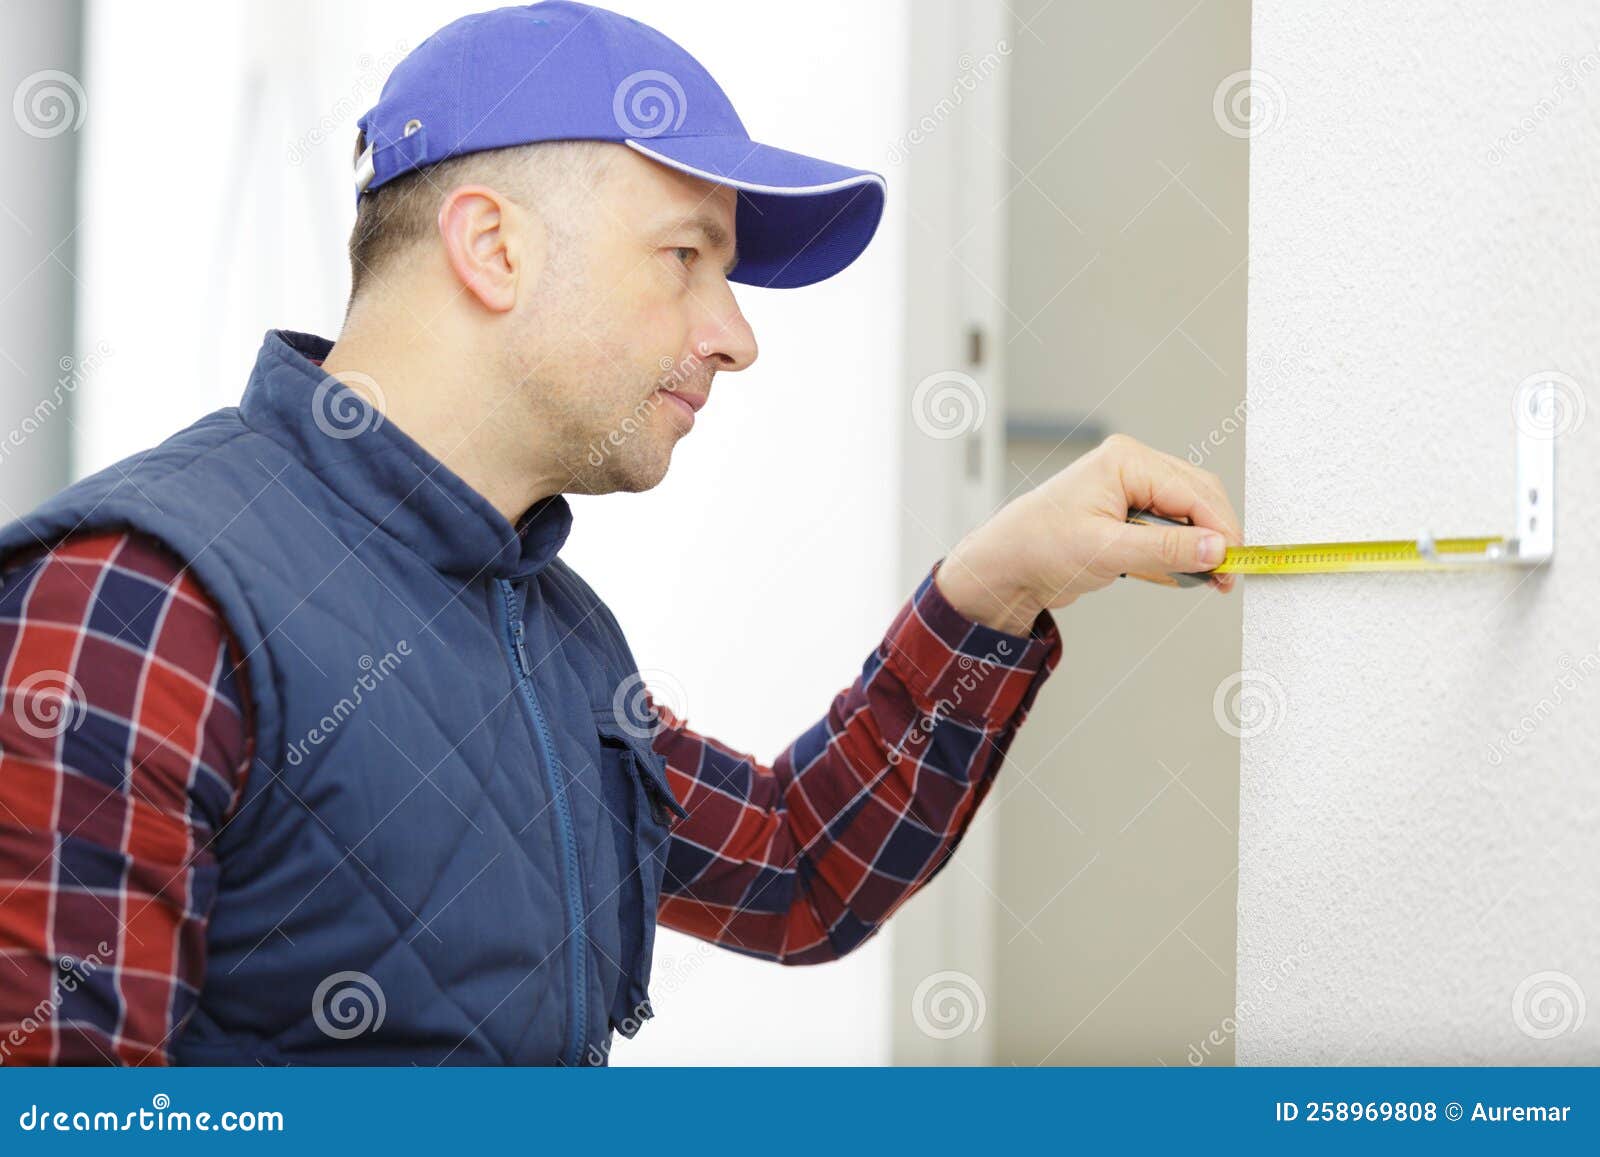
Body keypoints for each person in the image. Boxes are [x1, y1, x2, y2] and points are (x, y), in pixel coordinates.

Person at [0, 0, 1240, 1066]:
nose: (735, 336)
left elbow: (797, 869)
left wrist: (997, 584)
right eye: (686, 255)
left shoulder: (546, 628)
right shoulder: (140, 600)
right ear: (493, 247)